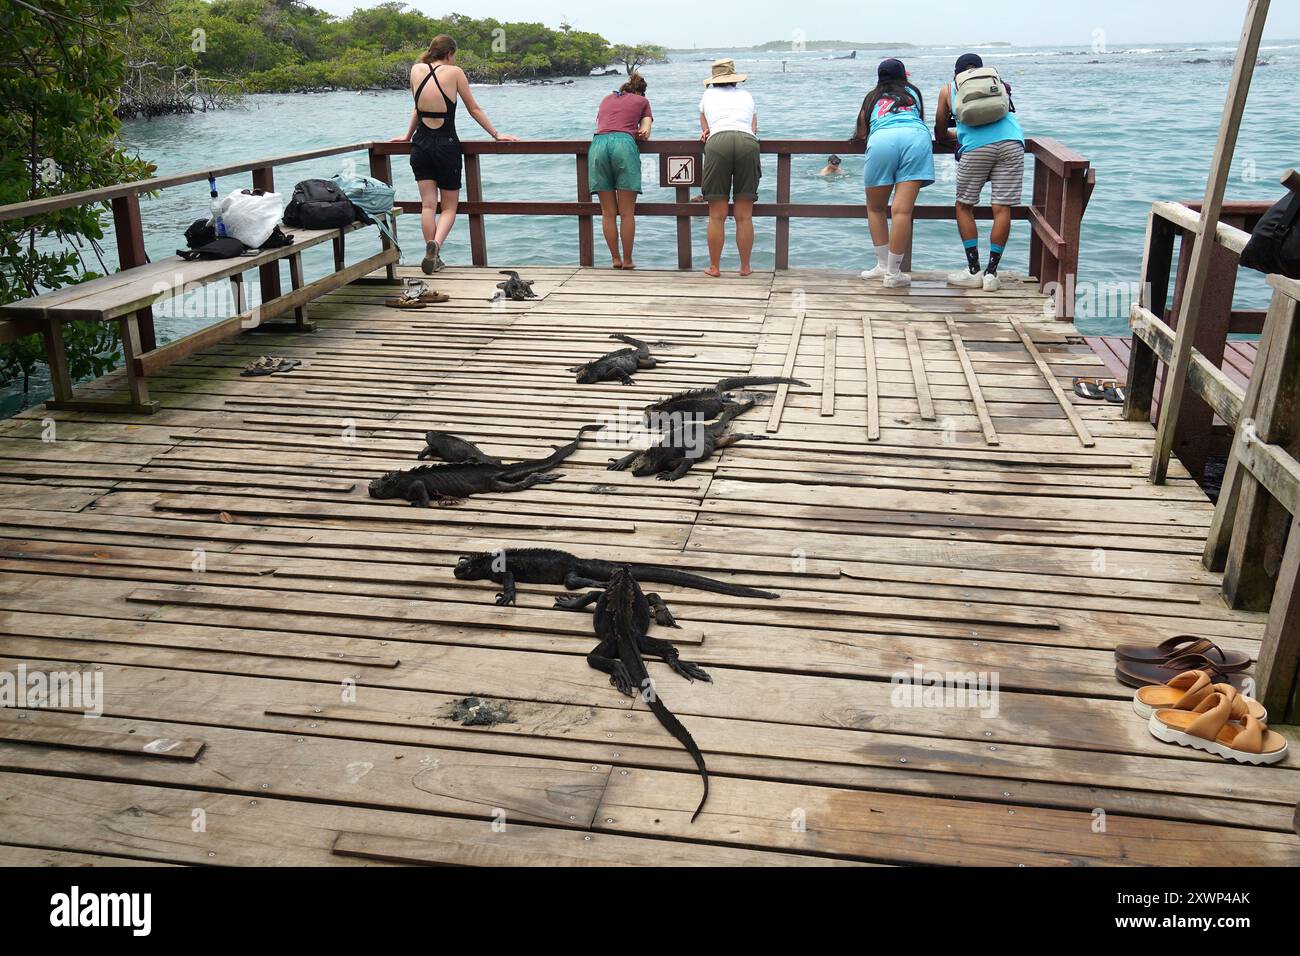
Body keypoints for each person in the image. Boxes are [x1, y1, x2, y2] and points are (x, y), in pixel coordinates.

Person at [393, 34, 518, 275]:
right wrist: (496, 134)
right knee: (449, 208)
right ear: (450, 54)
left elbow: (417, 110)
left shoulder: (416, 70)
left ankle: (431, 253)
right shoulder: (455, 72)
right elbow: (474, 108)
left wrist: (407, 136)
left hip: (420, 144)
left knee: (428, 205)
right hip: (446, 145)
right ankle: (436, 247)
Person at [934, 52, 1025, 292]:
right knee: (1002, 208)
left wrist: (957, 135)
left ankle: (973, 270)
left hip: (975, 148)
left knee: (964, 206)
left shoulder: (948, 89)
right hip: (1012, 142)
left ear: (956, 72)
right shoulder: (998, 84)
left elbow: (940, 131)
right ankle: (992, 274)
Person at [853, 58, 935, 289]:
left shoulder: (872, 96)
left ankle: (881, 264)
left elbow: (861, 129)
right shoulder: (914, 93)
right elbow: (921, 118)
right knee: (902, 210)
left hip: (882, 140)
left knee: (875, 208)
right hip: (916, 138)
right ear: (904, 76)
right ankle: (893, 272)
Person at [699, 59, 760, 277]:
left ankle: (715, 267)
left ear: (713, 81)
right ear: (734, 79)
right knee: (744, 215)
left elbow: (704, 127)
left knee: (717, 215)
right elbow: (754, 127)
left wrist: (707, 131)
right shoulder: (747, 96)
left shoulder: (707, 96)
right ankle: (745, 267)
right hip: (747, 142)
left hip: (718, 142)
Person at [591, 72, 654, 269]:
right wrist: (642, 129)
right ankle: (627, 260)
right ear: (640, 92)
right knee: (627, 213)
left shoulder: (607, 98)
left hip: (598, 145)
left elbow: (601, 123)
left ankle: (615, 260)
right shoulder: (642, 101)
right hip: (623, 145)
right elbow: (645, 131)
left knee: (608, 213)